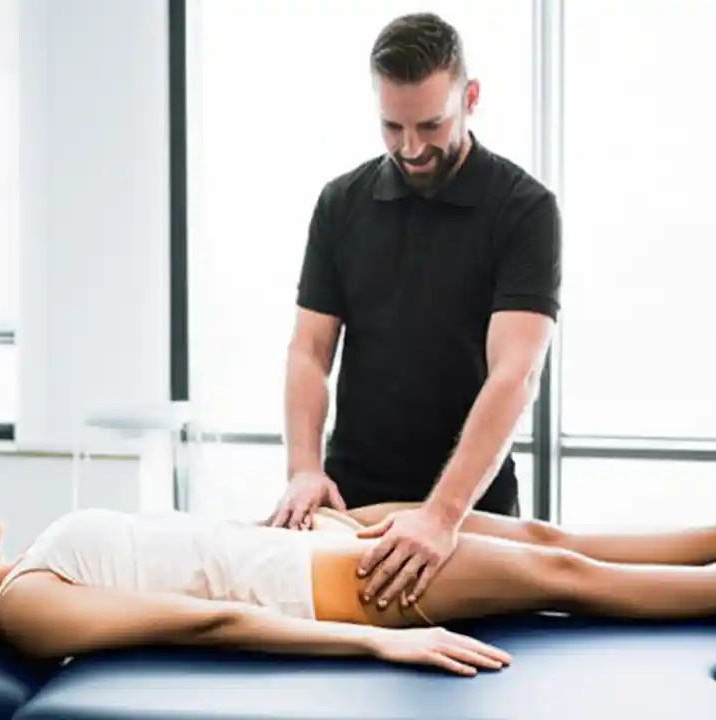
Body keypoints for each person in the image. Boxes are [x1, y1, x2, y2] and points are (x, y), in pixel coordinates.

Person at [0, 443, 716, 677]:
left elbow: (184, 561)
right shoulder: (23, 610)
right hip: (345, 589)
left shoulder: (30, 566)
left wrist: (302, 510)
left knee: (540, 535)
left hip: (310, 546)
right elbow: (204, 621)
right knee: (562, 582)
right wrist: (381, 649)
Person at [269, 12, 560, 612]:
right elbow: (309, 350)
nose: (411, 147)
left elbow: (516, 374)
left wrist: (441, 515)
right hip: (356, 506)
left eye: (432, 124)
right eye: (392, 126)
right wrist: (303, 468)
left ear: (470, 97)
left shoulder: (524, 209)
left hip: (468, 509)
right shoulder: (340, 203)